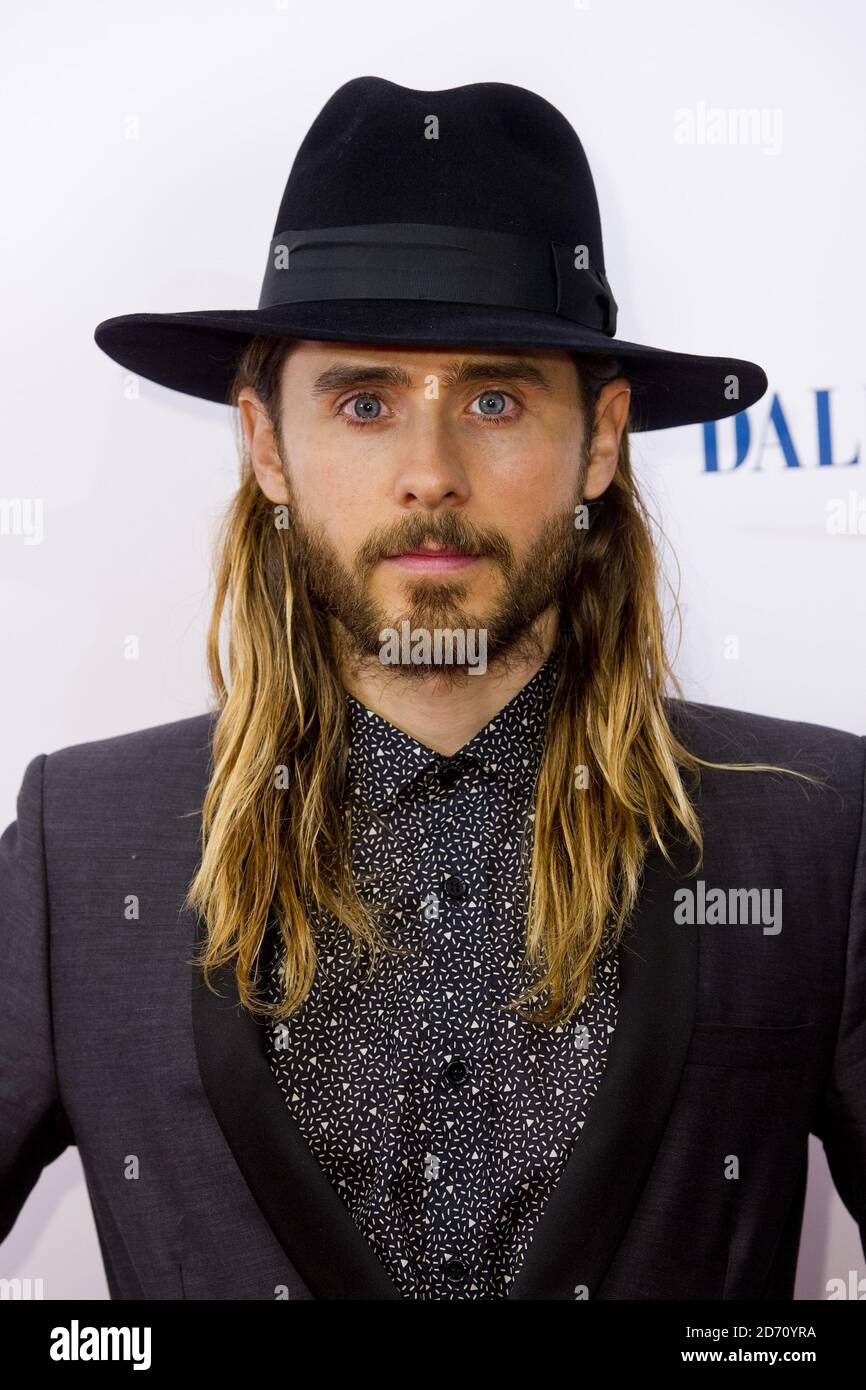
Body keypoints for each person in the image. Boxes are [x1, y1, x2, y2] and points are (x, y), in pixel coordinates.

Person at [1, 76, 863, 1301]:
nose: (428, 471)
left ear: (599, 440)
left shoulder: (812, 830)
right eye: (363, 401)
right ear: (266, 445)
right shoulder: (81, 848)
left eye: (494, 398)